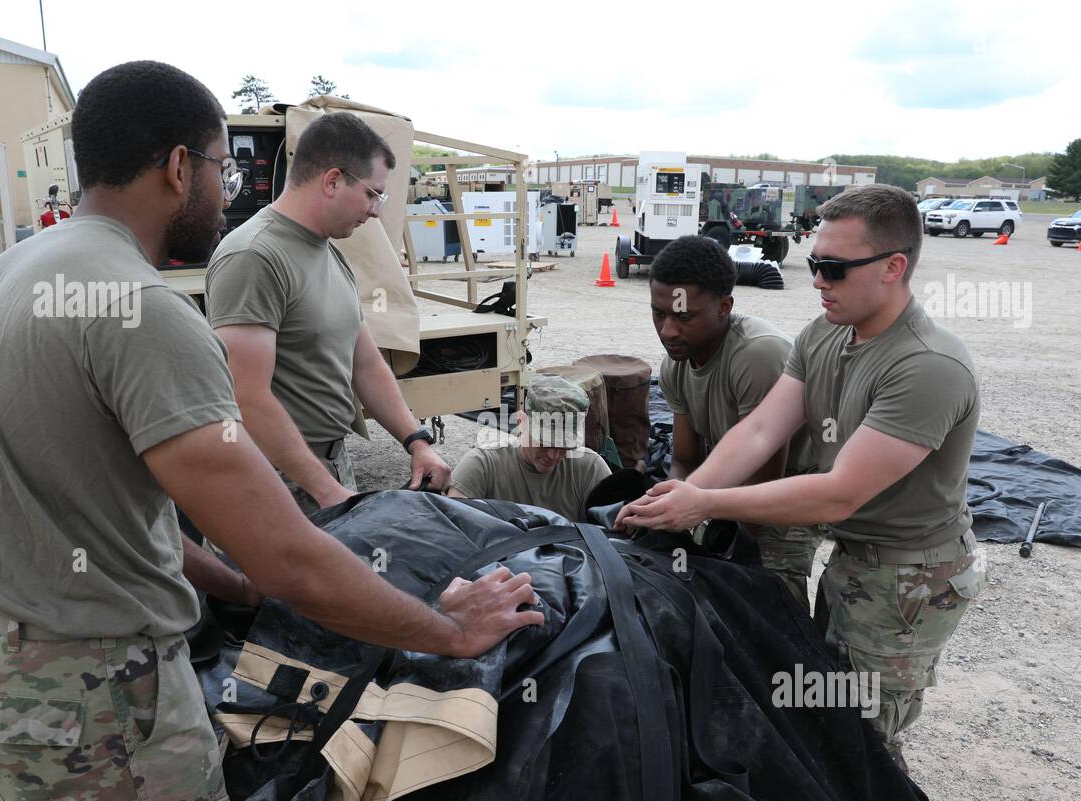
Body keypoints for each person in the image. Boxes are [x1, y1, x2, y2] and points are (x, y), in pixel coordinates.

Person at [0, 60, 542, 801]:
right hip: (97, 703)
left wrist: (236, 585)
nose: (228, 189)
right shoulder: (143, 311)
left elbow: (95, 513)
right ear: (180, 166)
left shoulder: (2, 282)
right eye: (223, 167)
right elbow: (289, 555)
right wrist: (448, 630)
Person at [617, 184, 983, 764]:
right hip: (856, 559)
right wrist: (691, 489)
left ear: (893, 267)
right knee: (825, 704)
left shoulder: (927, 366)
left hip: (910, 579)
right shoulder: (825, 335)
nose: (817, 280)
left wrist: (705, 504)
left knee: (862, 736)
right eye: (815, 264)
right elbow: (762, 430)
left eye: (833, 268)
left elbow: (839, 494)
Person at [207, 112, 450, 515]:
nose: (375, 211)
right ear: (333, 180)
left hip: (327, 465)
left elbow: (366, 363)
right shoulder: (254, 256)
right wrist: (327, 491)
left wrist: (416, 441)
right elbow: (245, 397)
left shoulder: (327, 252)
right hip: (274, 478)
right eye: (373, 194)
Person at [649, 235, 821, 609]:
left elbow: (764, 485)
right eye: (658, 314)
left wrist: (702, 526)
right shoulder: (675, 364)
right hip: (723, 487)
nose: (667, 331)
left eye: (683, 316)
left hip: (786, 496)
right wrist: (661, 508)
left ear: (724, 306)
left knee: (765, 605)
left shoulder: (758, 355)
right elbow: (685, 459)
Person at [448, 376, 611, 521]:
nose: (553, 455)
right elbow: (450, 528)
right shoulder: (483, 465)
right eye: (544, 442)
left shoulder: (590, 469)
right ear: (521, 420)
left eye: (564, 445)